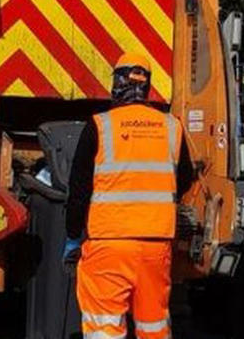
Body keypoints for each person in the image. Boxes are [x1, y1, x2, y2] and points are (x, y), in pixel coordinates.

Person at [64, 52, 186, 339]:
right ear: (147, 86)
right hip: (156, 249)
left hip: (109, 246)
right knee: (153, 327)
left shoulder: (100, 125)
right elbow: (184, 180)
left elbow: (79, 189)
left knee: (104, 328)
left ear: (117, 82)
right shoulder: (171, 127)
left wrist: (72, 236)